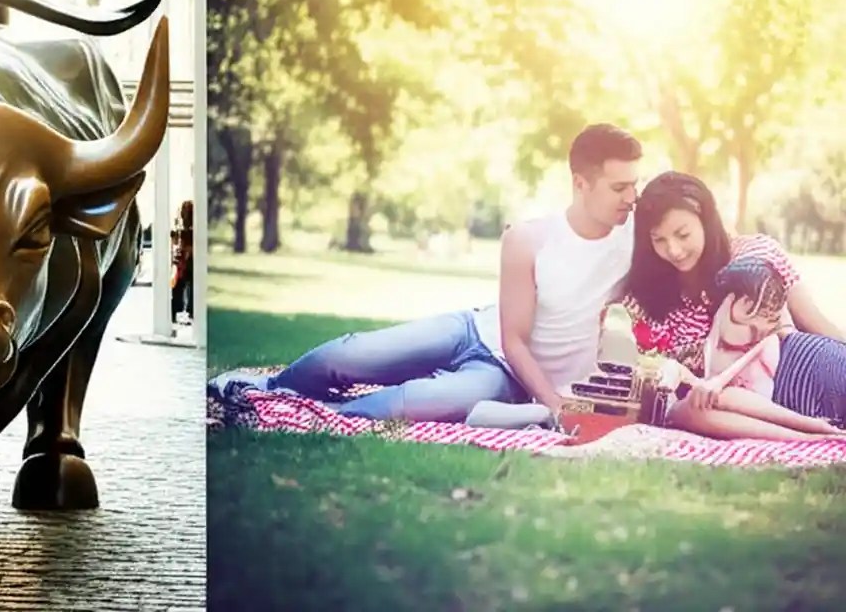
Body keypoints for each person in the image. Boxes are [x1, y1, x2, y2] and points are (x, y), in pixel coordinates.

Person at [211, 123, 642, 423]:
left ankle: (309, 417)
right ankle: (271, 387)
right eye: (619, 187)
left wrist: (551, 402)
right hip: (475, 332)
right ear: (580, 184)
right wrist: (555, 404)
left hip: (509, 379)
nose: (631, 197)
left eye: (634, 185)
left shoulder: (637, 241)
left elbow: (693, 245)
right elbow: (512, 339)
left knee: (420, 400)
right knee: (353, 355)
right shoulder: (528, 240)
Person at [623, 171, 846, 440]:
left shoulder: (752, 257)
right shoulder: (651, 292)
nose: (674, 250)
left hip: (799, 372)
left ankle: (816, 433)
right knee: (684, 412)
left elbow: (808, 326)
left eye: (683, 234)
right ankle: (810, 438)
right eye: (659, 240)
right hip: (729, 402)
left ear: (705, 219)